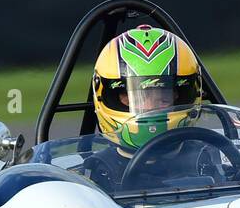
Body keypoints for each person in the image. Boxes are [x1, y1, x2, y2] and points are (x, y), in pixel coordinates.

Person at [81, 25, 209, 192]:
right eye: (134, 98)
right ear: (105, 96)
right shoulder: (98, 171)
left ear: (188, 93)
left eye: (163, 98)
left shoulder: (209, 156)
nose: (150, 108)